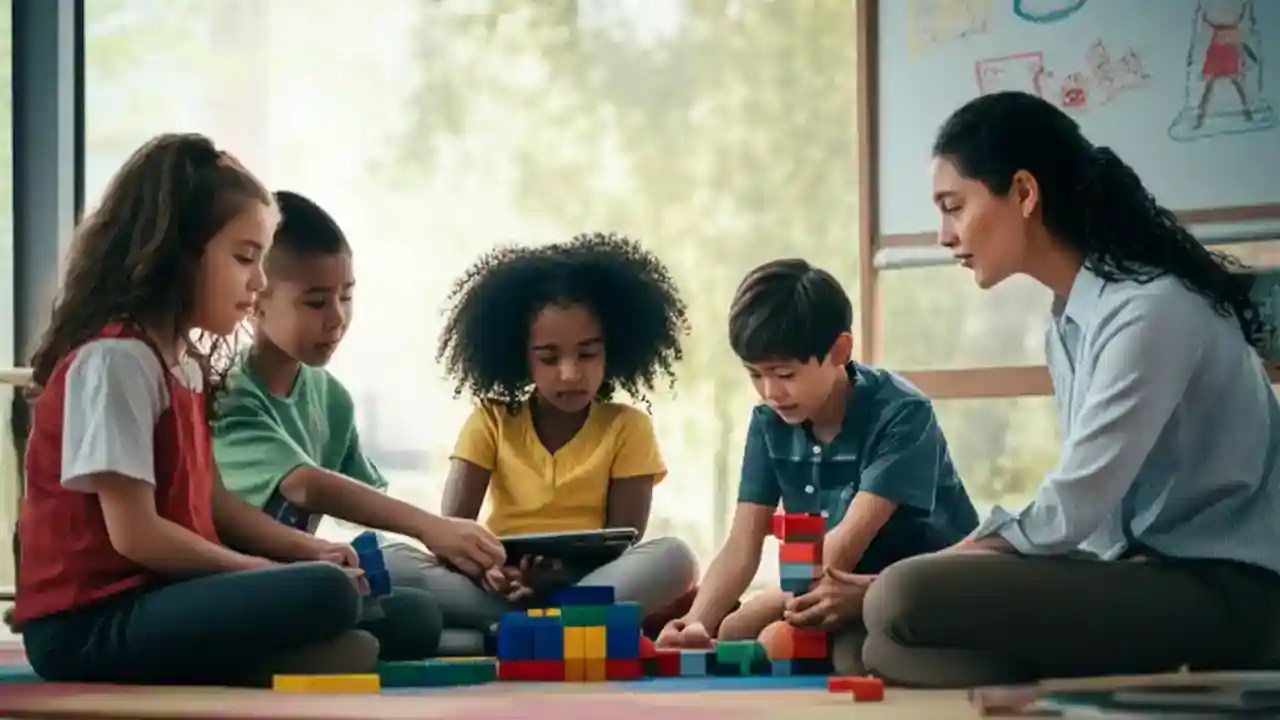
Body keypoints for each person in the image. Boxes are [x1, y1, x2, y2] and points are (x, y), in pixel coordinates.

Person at [860, 90, 1280, 687]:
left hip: (1230, 593)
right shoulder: (1069, 322)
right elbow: (1085, 522)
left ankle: (1036, 661)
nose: (943, 235)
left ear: (1025, 194)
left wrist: (905, 576)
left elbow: (1071, 510)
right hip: (1138, 574)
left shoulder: (1149, 311)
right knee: (868, 640)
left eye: (954, 206)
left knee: (896, 597)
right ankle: (1048, 668)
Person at [13, 135, 381, 685]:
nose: (258, 285)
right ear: (177, 254)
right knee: (325, 595)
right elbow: (136, 536)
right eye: (245, 259)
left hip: (163, 598)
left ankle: (278, 656)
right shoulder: (116, 361)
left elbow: (213, 501)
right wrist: (265, 571)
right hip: (89, 624)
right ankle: (275, 657)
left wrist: (312, 548)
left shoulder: (180, 363)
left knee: (400, 610)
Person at [210, 190, 504, 660]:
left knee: (420, 615)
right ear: (257, 301)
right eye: (315, 302)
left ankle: (497, 622)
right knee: (371, 594)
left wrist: (457, 551)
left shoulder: (331, 397)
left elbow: (369, 504)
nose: (338, 319)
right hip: (240, 582)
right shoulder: (230, 393)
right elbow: (305, 486)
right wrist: (432, 527)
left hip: (311, 577)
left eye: (346, 297)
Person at [656, 259, 978, 671]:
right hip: (832, 587)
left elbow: (844, 547)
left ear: (839, 351)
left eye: (785, 373)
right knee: (745, 633)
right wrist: (695, 623)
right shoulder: (770, 421)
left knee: (787, 639)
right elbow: (742, 545)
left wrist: (758, 609)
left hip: (918, 586)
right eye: (755, 375)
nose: (770, 392)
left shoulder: (901, 413)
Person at [420, 232, 699, 634]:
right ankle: (563, 626)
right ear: (520, 357)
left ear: (612, 350)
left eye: (587, 354)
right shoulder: (490, 420)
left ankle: (520, 628)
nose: (570, 373)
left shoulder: (628, 427)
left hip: (585, 584)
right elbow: (452, 532)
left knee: (675, 557)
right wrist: (492, 572)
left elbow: (624, 546)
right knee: (395, 560)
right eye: (549, 358)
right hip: (499, 586)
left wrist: (561, 576)